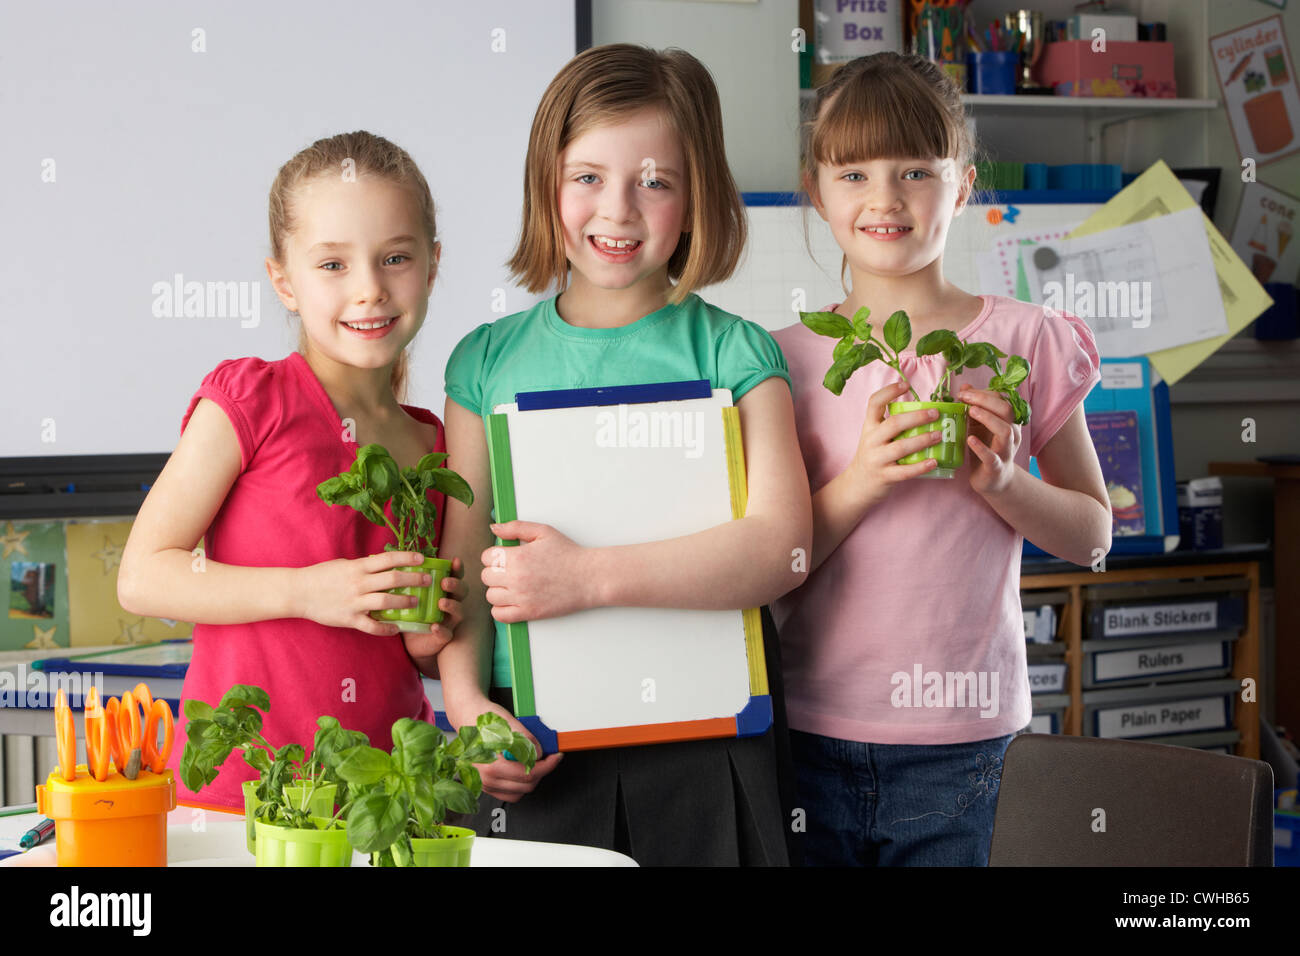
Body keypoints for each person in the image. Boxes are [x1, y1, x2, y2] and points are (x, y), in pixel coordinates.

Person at [434, 43, 812, 866]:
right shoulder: (485, 361)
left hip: (707, 744)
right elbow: (457, 561)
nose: (619, 209)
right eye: (588, 177)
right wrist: (465, 703)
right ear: (547, 183)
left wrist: (586, 577)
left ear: (695, 196)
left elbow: (783, 548)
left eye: (655, 180)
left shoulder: (735, 352)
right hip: (529, 741)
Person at [771, 52, 1112, 866]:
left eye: (915, 170)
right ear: (816, 190)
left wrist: (1000, 481)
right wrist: (863, 479)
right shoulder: (781, 361)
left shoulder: (1027, 339)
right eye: (853, 173)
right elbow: (770, 563)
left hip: (968, 742)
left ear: (961, 186)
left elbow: (1093, 536)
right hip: (807, 732)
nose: (885, 198)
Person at [118, 131, 464, 809]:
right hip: (242, 798)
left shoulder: (433, 444)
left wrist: (430, 635)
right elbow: (143, 575)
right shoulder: (249, 400)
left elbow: (416, 648)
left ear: (431, 267)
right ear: (285, 282)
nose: (369, 289)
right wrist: (308, 592)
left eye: (395, 258)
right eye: (332, 265)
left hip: (383, 801)